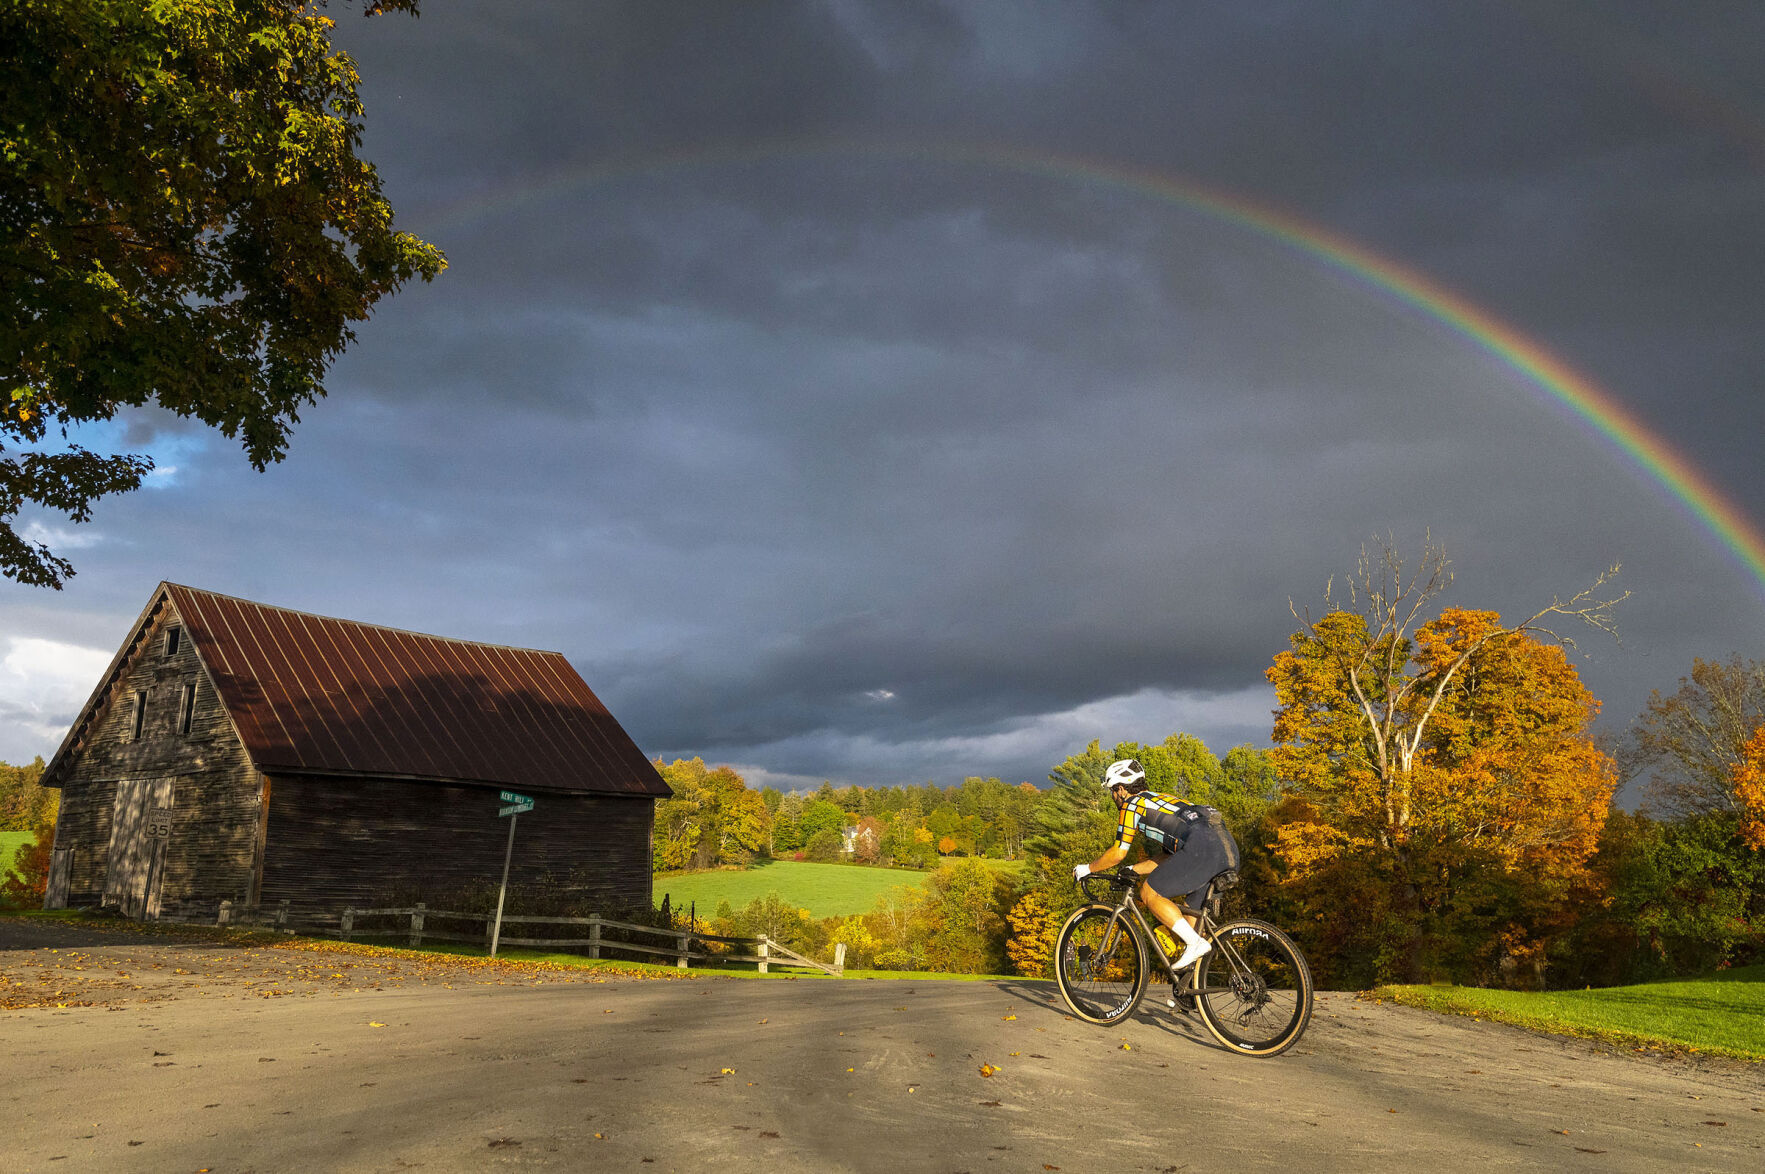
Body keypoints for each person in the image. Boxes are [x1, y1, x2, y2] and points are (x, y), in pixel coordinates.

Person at [1073, 758, 1240, 972]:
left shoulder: (1132, 805)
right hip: (1227, 849)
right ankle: (1194, 983)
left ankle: (1195, 943)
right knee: (1190, 920)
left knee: (1149, 892)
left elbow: (1118, 853)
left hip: (1201, 849)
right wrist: (1133, 869)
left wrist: (1087, 868)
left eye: (1112, 791)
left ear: (1121, 789)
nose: (1113, 797)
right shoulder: (1165, 800)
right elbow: (1170, 857)